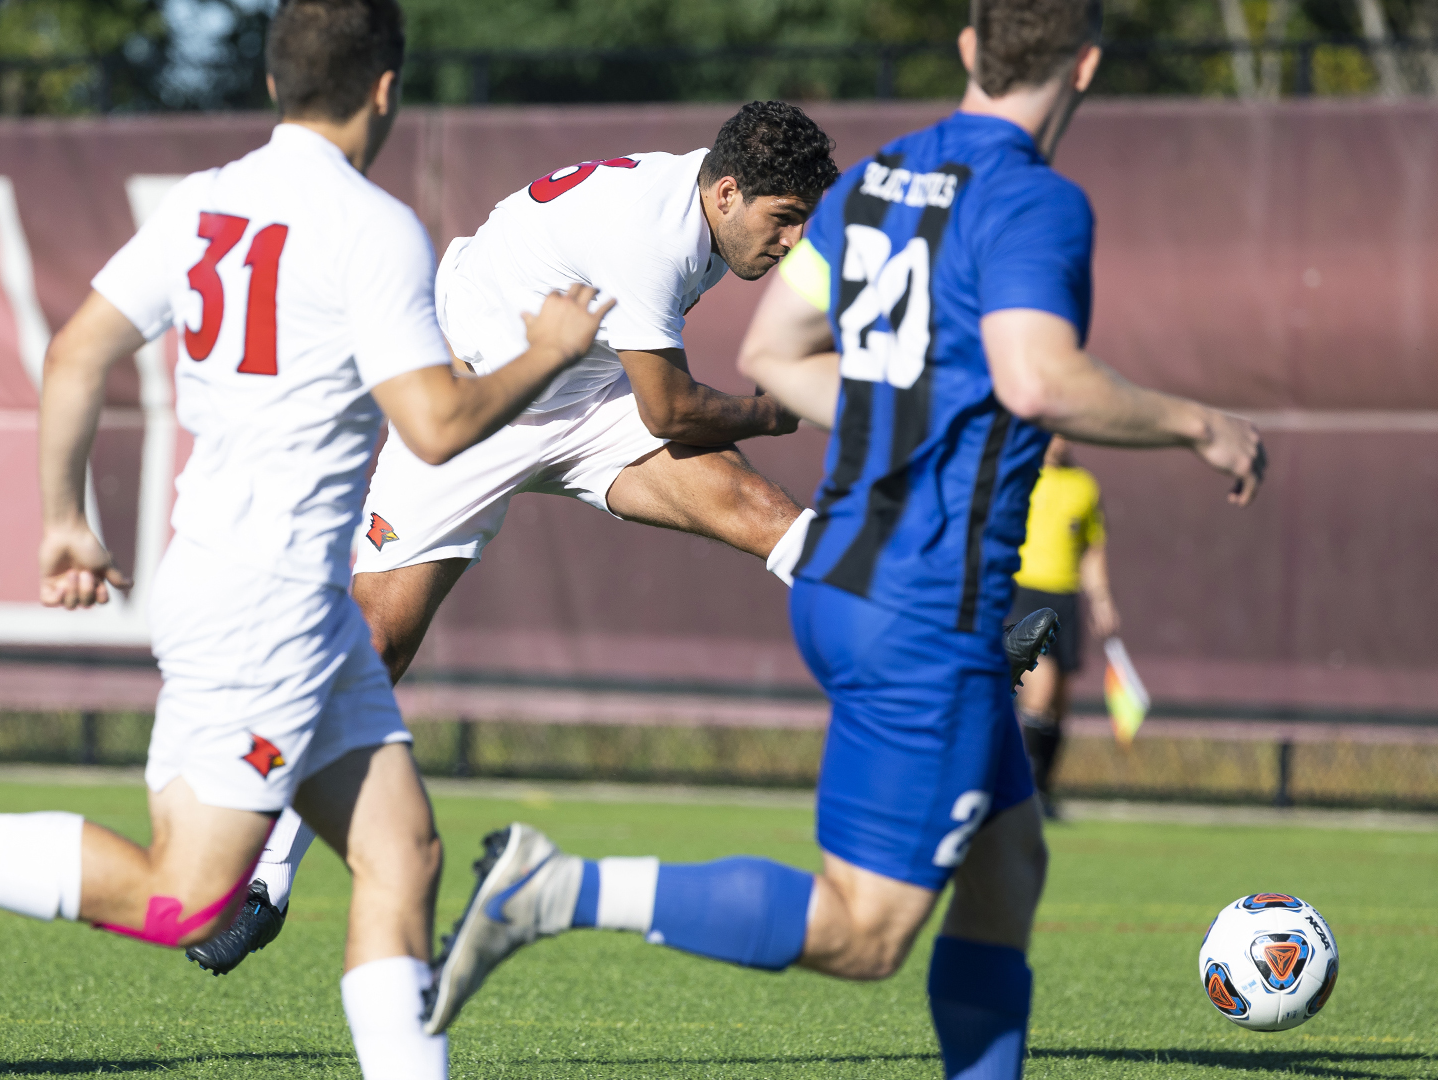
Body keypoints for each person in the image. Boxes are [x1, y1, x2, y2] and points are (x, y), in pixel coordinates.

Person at [0, 2, 618, 1076]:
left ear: (270, 85)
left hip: (264, 588)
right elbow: (436, 428)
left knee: (403, 854)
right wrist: (550, 351)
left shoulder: (206, 204)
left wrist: (66, 521)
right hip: (271, 606)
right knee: (182, 899)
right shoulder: (373, 225)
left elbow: (74, 353)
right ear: (386, 88)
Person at [422, 2, 1267, 1078]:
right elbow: (1039, 378)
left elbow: (775, 355)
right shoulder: (1036, 201)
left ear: (968, 48)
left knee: (1009, 869)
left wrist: (904, 413)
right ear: (1088, 64)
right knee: (865, 934)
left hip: (846, 569)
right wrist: (1203, 424)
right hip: (929, 604)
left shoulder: (877, 183)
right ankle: (559, 889)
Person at [183, 98, 846, 975]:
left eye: (805, 221)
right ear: (726, 192)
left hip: (584, 397)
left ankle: (938, 632)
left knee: (758, 510)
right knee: (370, 645)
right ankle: (261, 885)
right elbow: (674, 410)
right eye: (786, 220)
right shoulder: (650, 229)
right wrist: (775, 408)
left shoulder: (712, 199)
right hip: (469, 403)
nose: (794, 241)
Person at [1007, 434, 1118, 817]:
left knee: (1058, 703)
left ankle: (1041, 791)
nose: (1059, 440)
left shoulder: (1083, 486)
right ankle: (1020, 790)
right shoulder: (1017, 473)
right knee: (1040, 689)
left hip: (1066, 598)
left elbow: (1092, 548)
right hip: (1024, 592)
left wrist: (1101, 600)